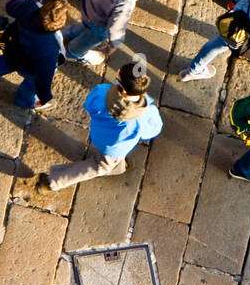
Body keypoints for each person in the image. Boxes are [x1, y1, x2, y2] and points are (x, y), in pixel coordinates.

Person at [41, 61, 163, 191]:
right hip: (114, 148)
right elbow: (152, 131)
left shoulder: (102, 92)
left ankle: (120, 165)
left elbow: (89, 105)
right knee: (99, 166)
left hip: (97, 133)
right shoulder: (147, 113)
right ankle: (52, 182)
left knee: (109, 159)